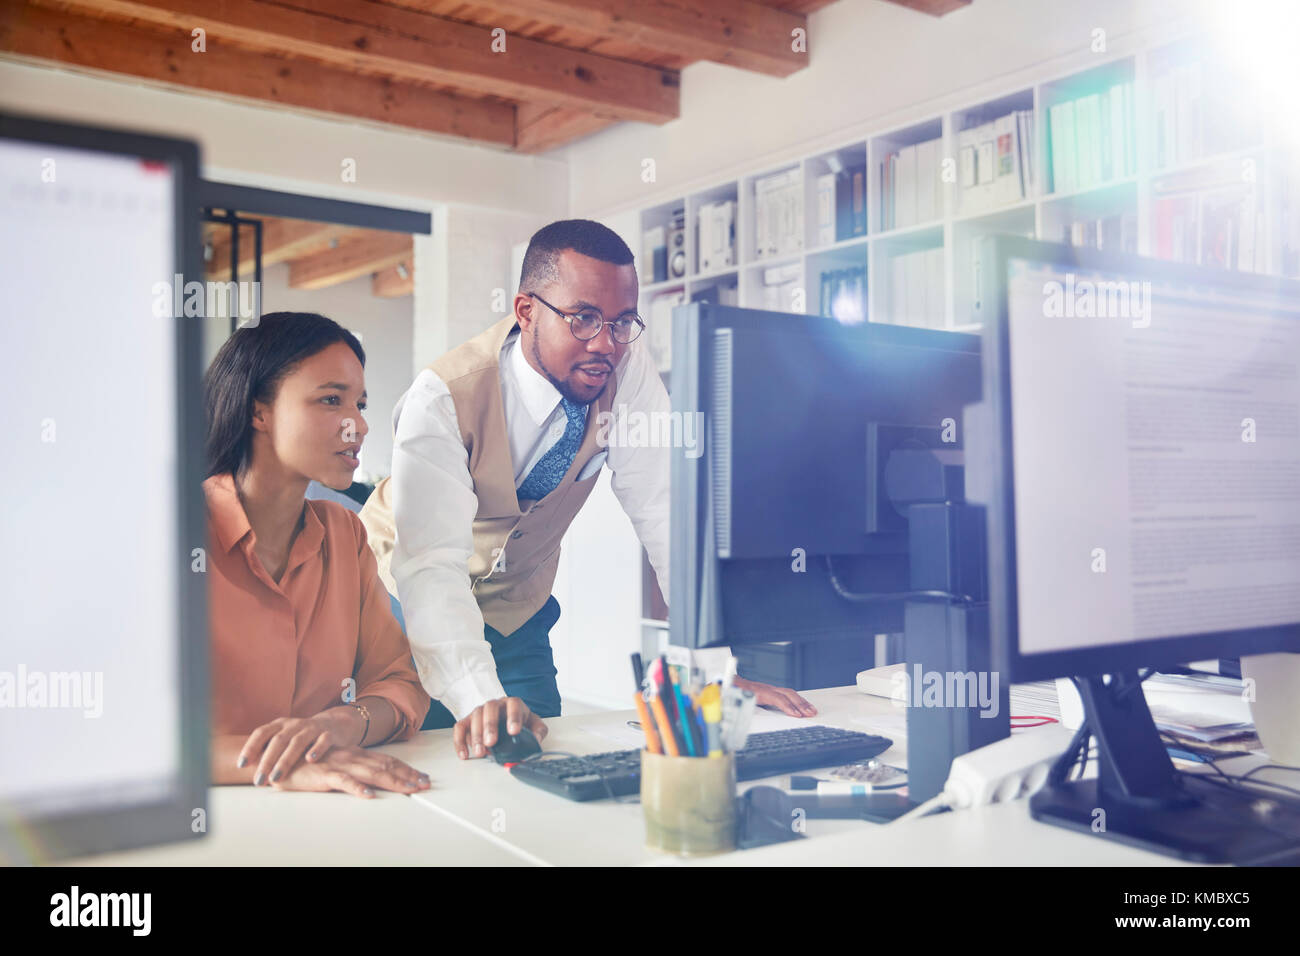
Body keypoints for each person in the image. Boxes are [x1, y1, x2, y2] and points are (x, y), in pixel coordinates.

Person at [359, 220, 815, 763]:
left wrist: (713, 672)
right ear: (526, 310)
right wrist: (480, 700)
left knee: (540, 773)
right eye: (584, 319)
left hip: (516, 611)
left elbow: (665, 510)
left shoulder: (624, 368)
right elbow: (431, 566)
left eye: (623, 322)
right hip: (400, 605)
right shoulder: (440, 400)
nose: (606, 343)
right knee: (425, 771)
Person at [203, 311, 431, 798]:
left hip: (331, 813)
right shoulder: (172, 533)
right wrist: (280, 766)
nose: (359, 426)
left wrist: (345, 722)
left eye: (361, 404)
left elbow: (400, 682)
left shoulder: (344, 533)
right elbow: (129, 733)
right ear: (257, 411)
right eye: (332, 400)